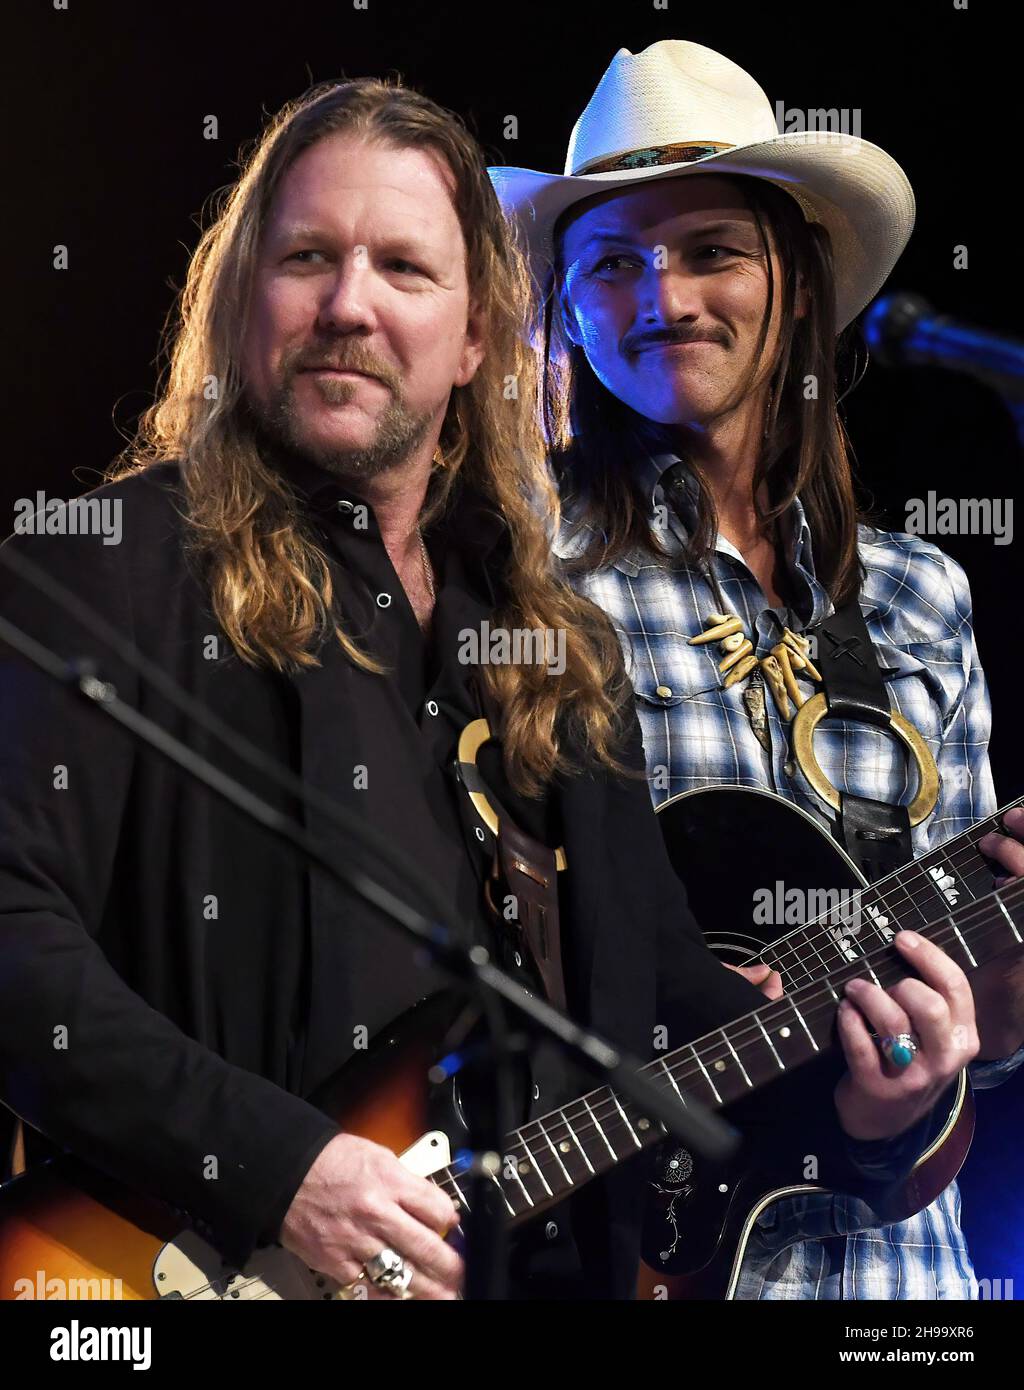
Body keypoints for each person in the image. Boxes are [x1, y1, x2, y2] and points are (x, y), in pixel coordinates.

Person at [0, 75, 978, 1303]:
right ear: (246, 292)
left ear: (474, 336)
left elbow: (667, 1021)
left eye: (404, 269)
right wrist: (276, 1167)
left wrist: (872, 1102)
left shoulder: (553, 652)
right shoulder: (105, 562)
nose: (349, 304)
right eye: (308, 255)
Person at [489, 39, 1024, 1299]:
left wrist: (972, 1022)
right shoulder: (521, 585)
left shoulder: (915, 596)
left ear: (794, 282)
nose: (661, 297)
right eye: (611, 261)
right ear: (562, 305)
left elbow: (980, 1043)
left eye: (710, 251)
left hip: (910, 1283)